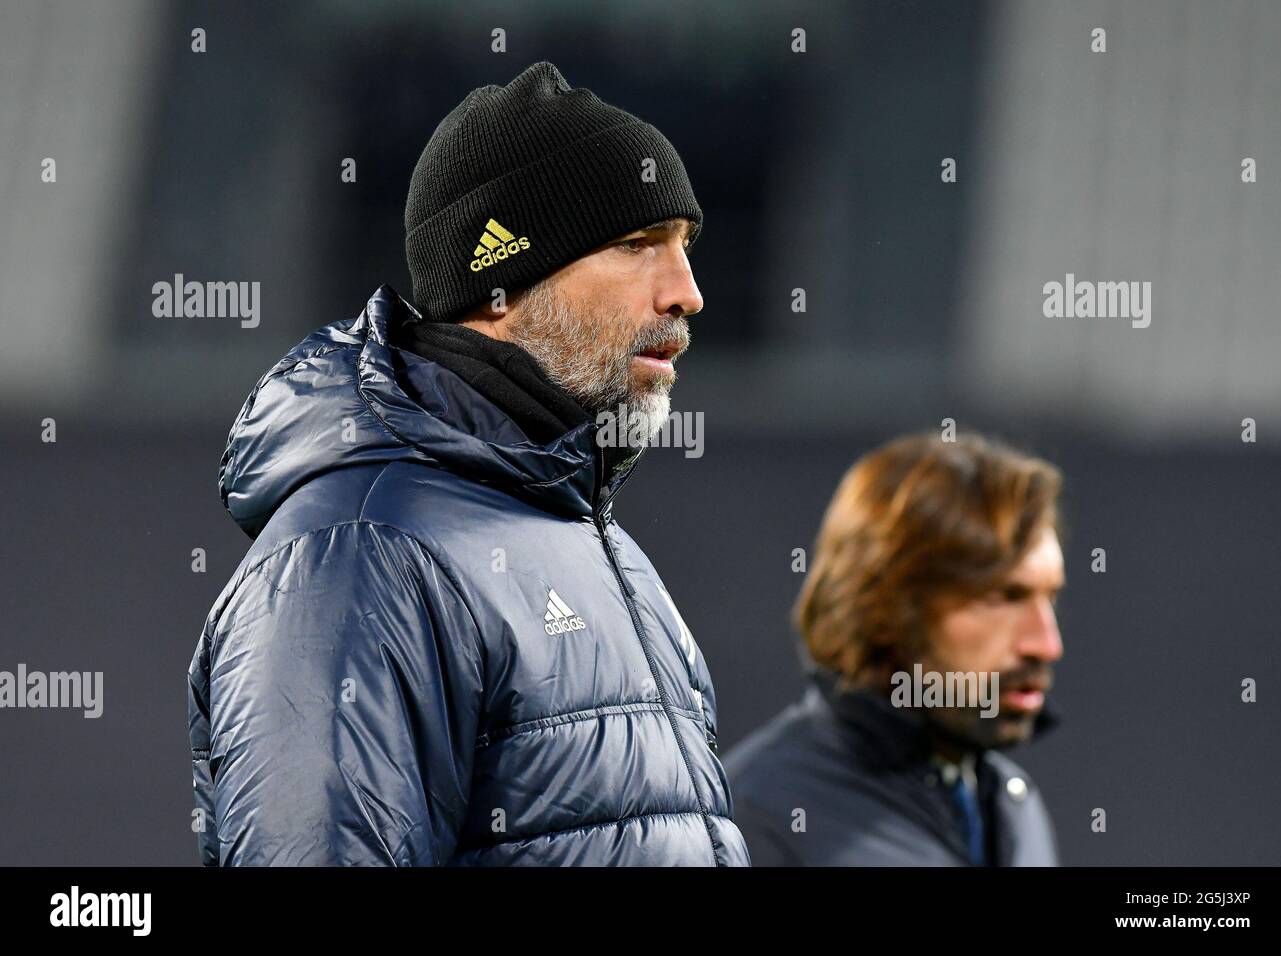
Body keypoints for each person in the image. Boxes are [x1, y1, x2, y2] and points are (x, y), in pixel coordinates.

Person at [187, 61, 749, 866]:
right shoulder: (361, 553)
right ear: (498, 283)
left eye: (683, 245)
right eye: (636, 245)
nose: (686, 292)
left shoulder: (599, 543)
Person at [725, 432, 1065, 866]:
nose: (1046, 644)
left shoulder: (1014, 805)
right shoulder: (751, 820)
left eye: (1050, 597)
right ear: (886, 605)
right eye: (1004, 597)